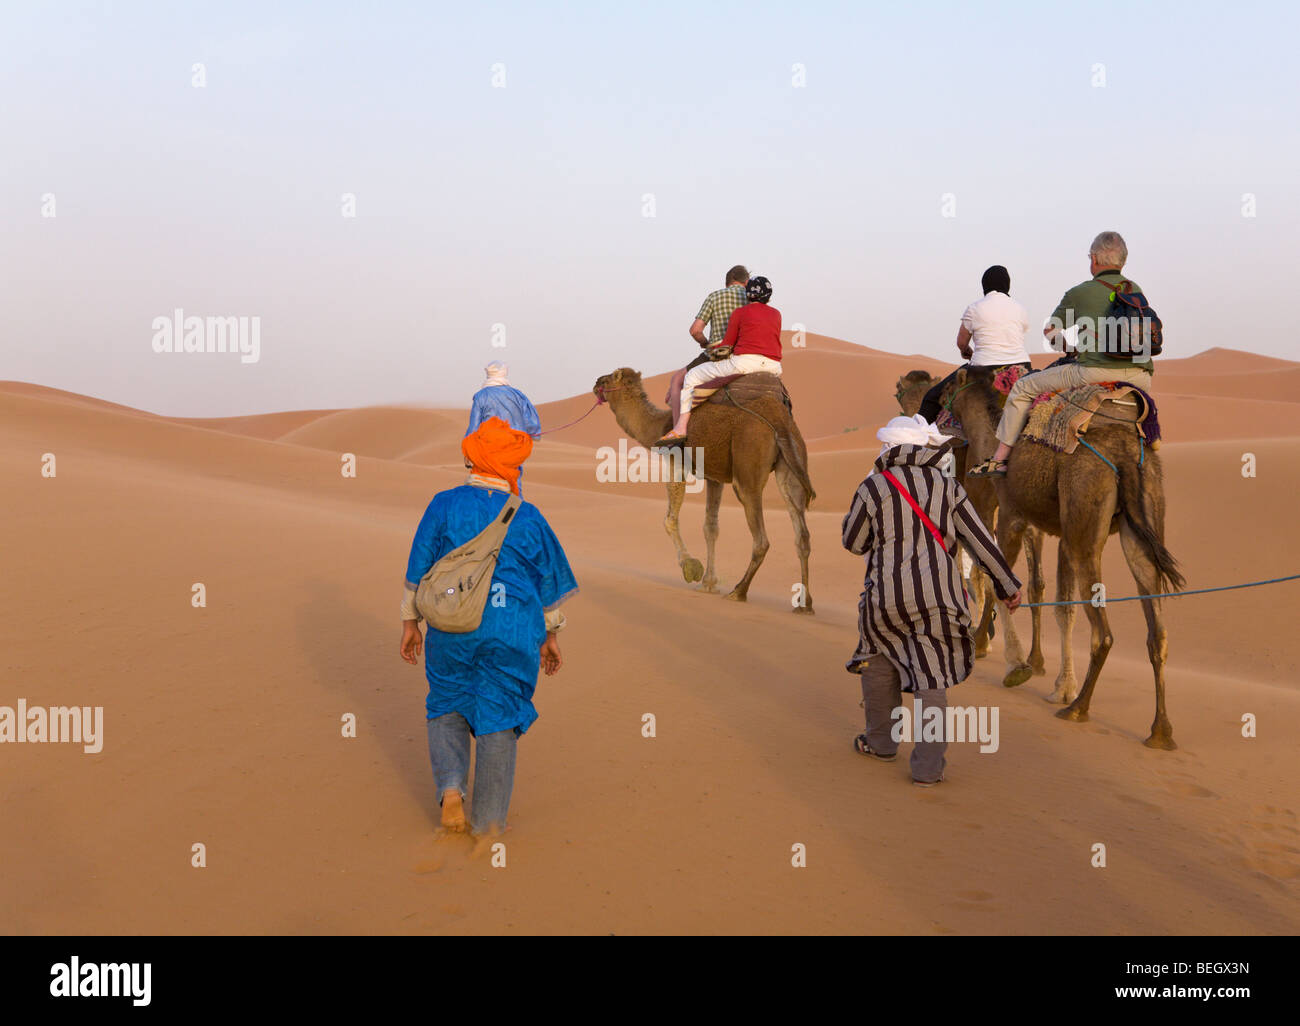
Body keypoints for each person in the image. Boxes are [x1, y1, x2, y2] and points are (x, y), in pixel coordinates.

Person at [400, 416, 578, 836]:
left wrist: (411, 622)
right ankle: (489, 824)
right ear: (513, 466)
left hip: (451, 621)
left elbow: (418, 568)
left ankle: (451, 792)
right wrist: (550, 636)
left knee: (447, 701)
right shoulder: (529, 516)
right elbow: (548, 583)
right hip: (512, 628)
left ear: (472, 459)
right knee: (499, 711)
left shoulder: (442, 504)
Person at [842, 415, 1022, 785]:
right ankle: (927, 769)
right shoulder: (949, 486)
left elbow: (853, 542)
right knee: (932, 677)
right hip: (940, 599)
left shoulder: (872, 487)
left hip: (885, 599)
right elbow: (981, 541)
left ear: (889, 449)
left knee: (880, 664)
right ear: (923, 450)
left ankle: (881, 744)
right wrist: (1007, 586)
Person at [969, 231, 1155, 477]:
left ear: (1095, 259)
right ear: (1122, 261)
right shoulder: (1136, 290)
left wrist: (1070, 348)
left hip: (1093, 372)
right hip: (1141, 377)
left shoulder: (1080, 292)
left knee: (1023, 388)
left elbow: (1051, 330)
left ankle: (999, 459)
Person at [659, 275, 781, 444]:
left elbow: (727, 345)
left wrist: (712, 347)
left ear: (748, 294)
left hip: (744, 364)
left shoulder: (740, 313)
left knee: (691, 376)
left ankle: (680, 427)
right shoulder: (777, 314)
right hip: (773, 367)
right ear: (769, 296)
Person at [917, 265, 1032, 424]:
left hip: (983, 368)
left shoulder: (975, 308)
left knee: (932, 398)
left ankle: (916, 437)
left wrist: (966, 351)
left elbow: (961, 342)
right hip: (1021, 366)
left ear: (985, 285)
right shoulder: (1020, 308)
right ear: (1007, 284)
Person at [664, 265, 750, 424]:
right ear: (747, 281)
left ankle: (677, 433)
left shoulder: (714, 297)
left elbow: (695, 330)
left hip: (716, 355)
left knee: (676, 380)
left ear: (728, 282)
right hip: (746, 355)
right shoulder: (753, 298)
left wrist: (705, 343)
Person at [466, 361, 541, 438]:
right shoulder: (518, 394)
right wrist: (534, 433)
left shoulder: (480, 396)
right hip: (517, 444)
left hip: (490, 444)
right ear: (504, 373)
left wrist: (467, 443)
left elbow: (474, 427)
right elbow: (530, 423)